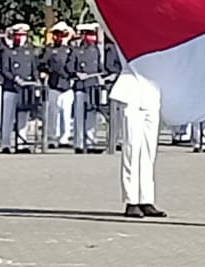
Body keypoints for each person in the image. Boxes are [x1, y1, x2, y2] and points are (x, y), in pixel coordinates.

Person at [108, 60, 165, 218]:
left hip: (152, 95)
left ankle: (146, 199)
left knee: (149, 152)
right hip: (133, 96)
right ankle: (131, 201)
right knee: (131, 150)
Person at [0, 23, 36, 153]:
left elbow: (33, 69)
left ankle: (22, 143)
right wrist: (15, 79)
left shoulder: (29, 52)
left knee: (23, 118)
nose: (20, 38)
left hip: (25, 89)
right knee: (7, 117)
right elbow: (4, 70)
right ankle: (5, 144)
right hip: (11, 88)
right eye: (18, 35)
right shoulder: (7, 52)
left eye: (23, 36)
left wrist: (35, 82)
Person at [67, 24, 104, 153]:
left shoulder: (97, 50)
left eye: (92, 34)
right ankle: (79, 143)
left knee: (92, 115)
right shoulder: (76, 50)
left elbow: (100, 68)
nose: (90, 37)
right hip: (80, 87)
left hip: (92, 85)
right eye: (88, 34)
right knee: (79, 115)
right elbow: (70, 66)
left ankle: (91, 141)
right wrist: (77, 73)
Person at [41, 22, 74, 148]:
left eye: (62, 35)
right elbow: (43, 63)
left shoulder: (71, 49)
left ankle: (64, 138)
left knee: (66, 113)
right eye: (57, 35)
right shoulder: (49, 49)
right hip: (54, 83)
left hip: (67, 84)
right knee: (53, 112)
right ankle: (52, 137)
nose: (60, 37)